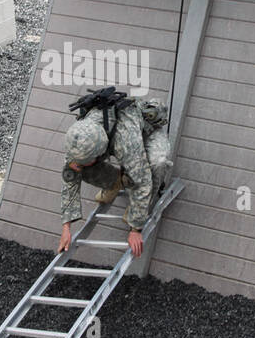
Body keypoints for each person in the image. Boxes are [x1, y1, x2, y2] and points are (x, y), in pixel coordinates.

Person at [58, 95, 171, 259]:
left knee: (158, 163)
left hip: (145, 131)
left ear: (99, 153)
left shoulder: (125, 141)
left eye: (88, 161)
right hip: (110, 137)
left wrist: (135, 229)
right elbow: (70, 179)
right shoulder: (78, 140)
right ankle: (116, 182)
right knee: (79, 169)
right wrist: (66, 228)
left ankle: (138, 208)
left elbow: (143, 181)